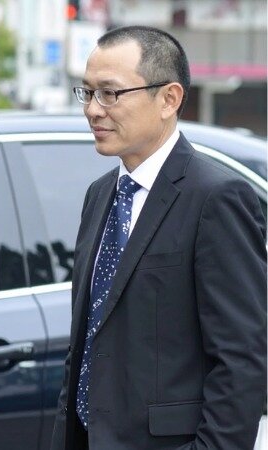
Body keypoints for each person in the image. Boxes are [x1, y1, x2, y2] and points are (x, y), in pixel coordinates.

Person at [50, 25, 266, 450]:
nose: (93, 109)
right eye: (87, 92)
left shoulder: (216, 198)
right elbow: (87, 342)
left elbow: (241, 362)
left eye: (109, 93)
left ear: (169, 99)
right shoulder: (100, 195)